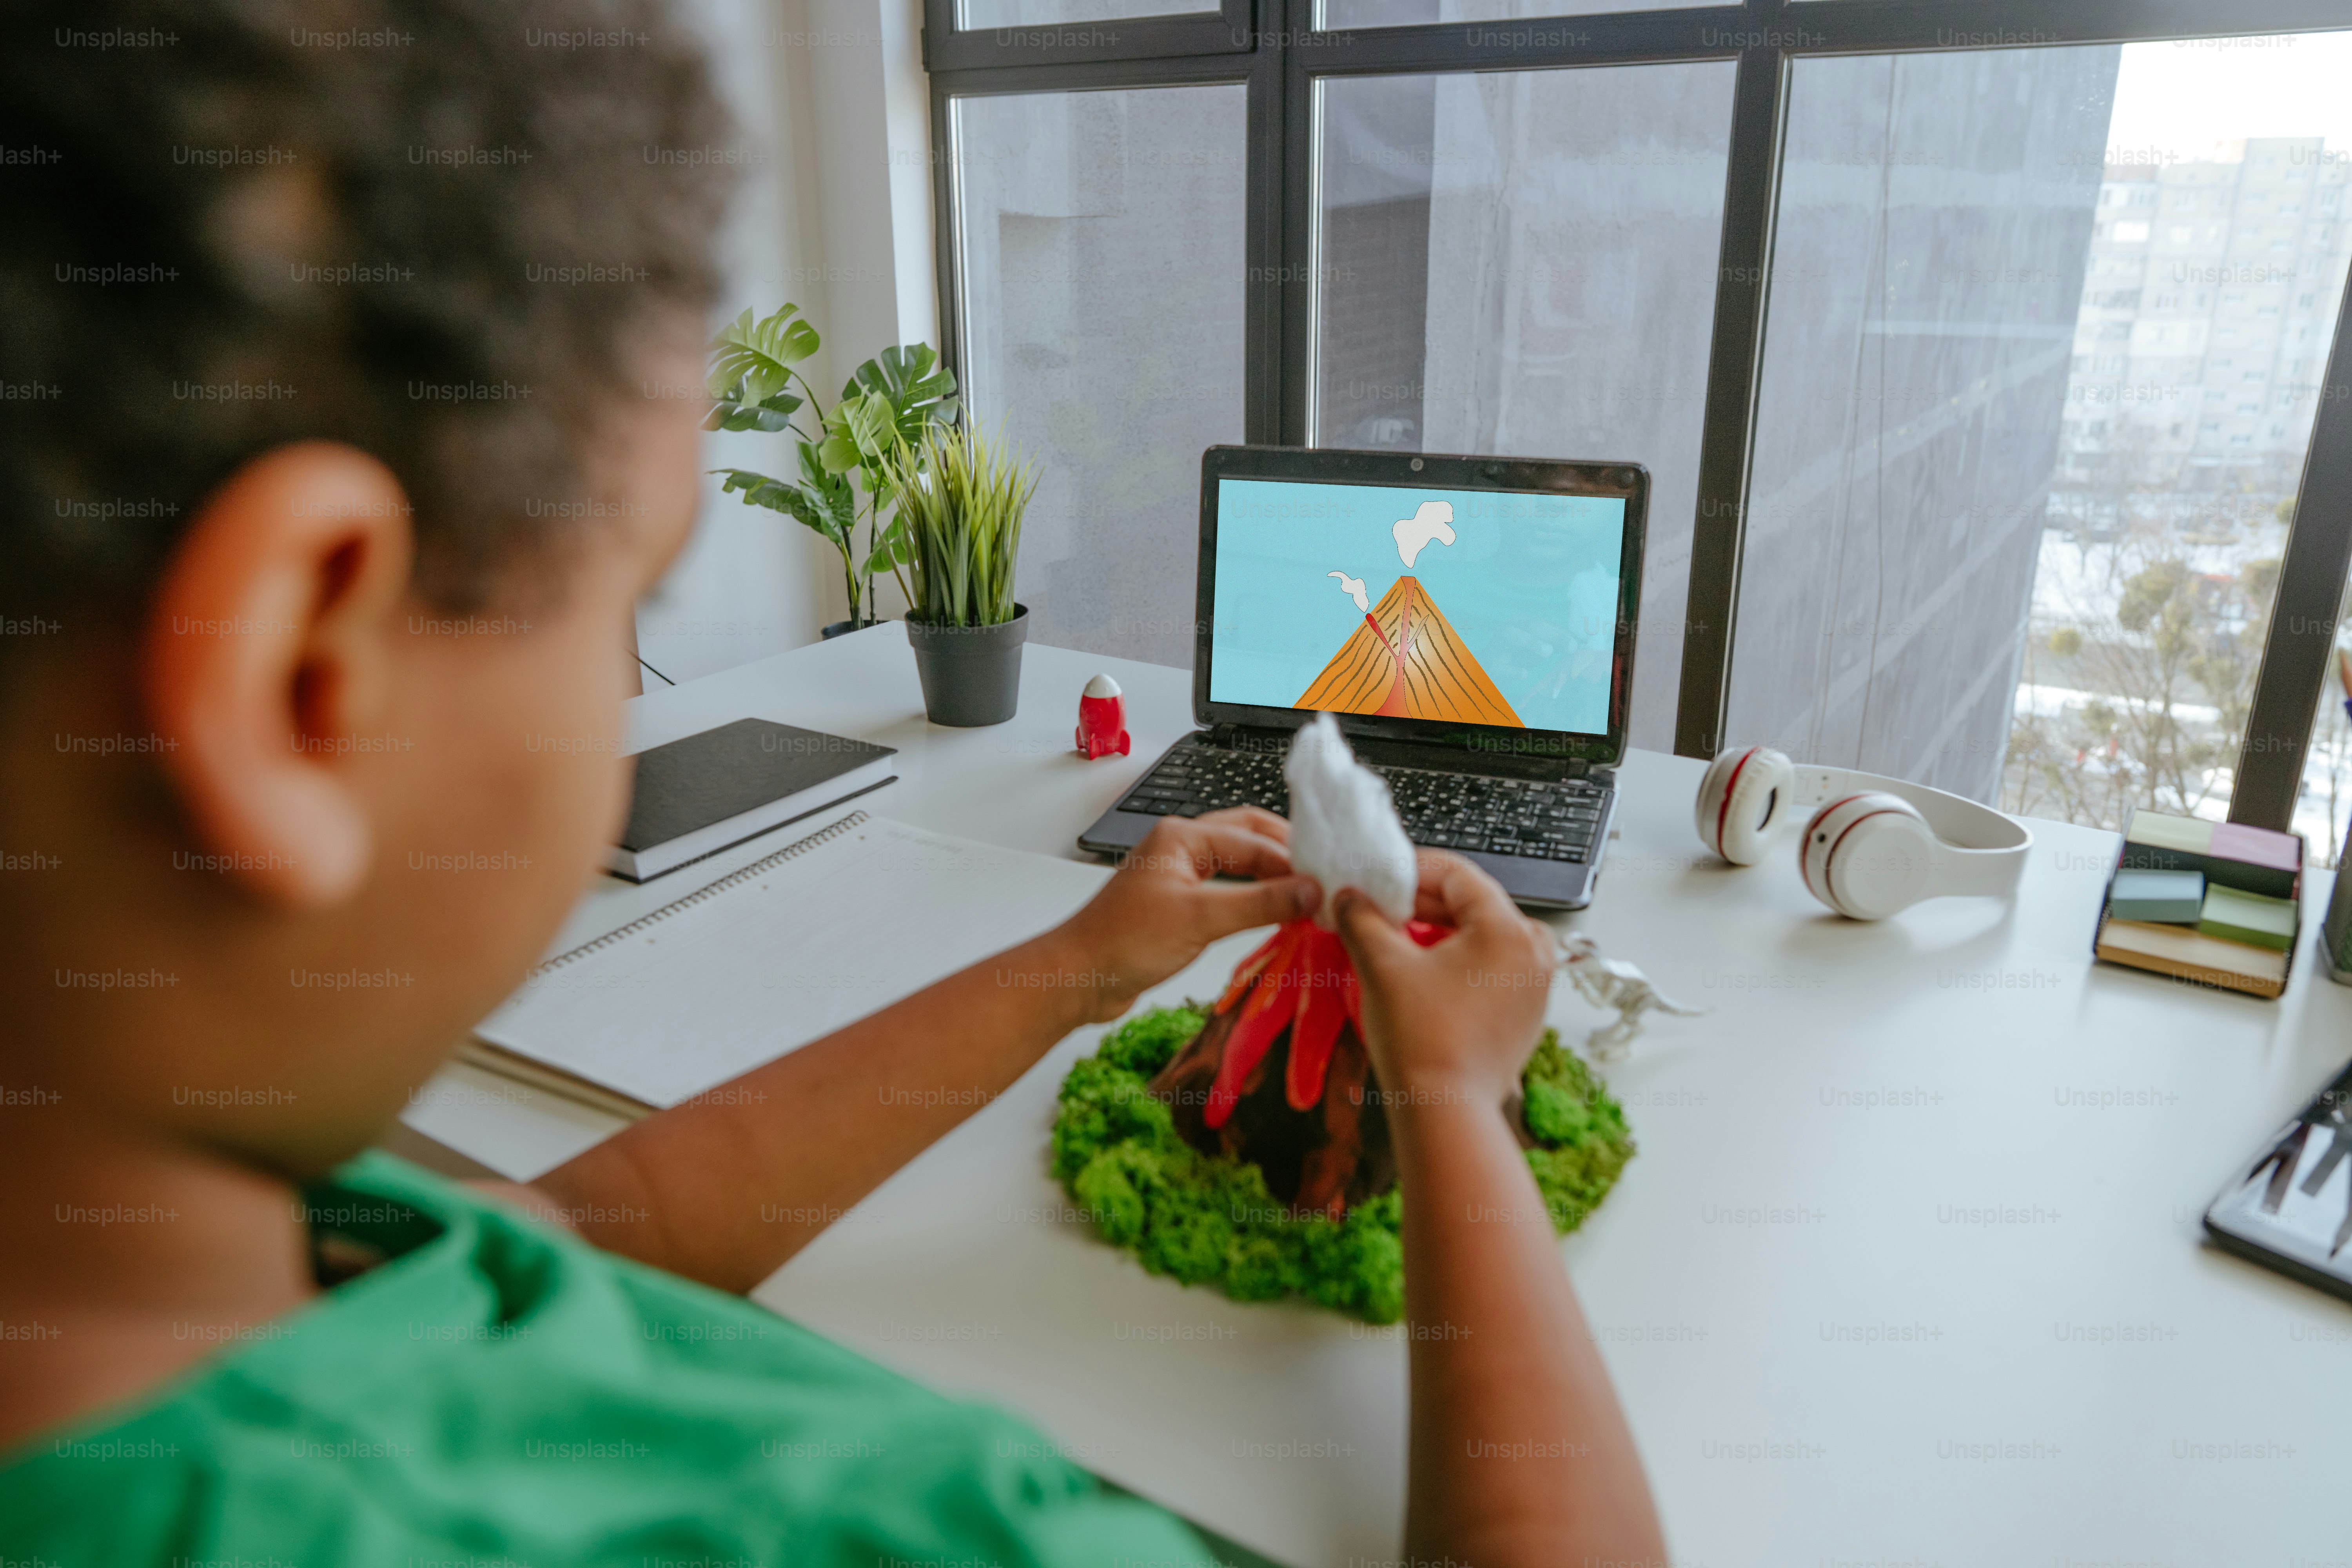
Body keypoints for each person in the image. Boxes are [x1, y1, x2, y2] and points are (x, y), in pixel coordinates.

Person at [0, 1, 1666, 1563]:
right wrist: (1451, 1104)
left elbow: (578, 1232)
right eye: (627, 605)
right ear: (299, 684)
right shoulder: (871, 1523)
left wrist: (1080, 965)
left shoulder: (233, 1247)